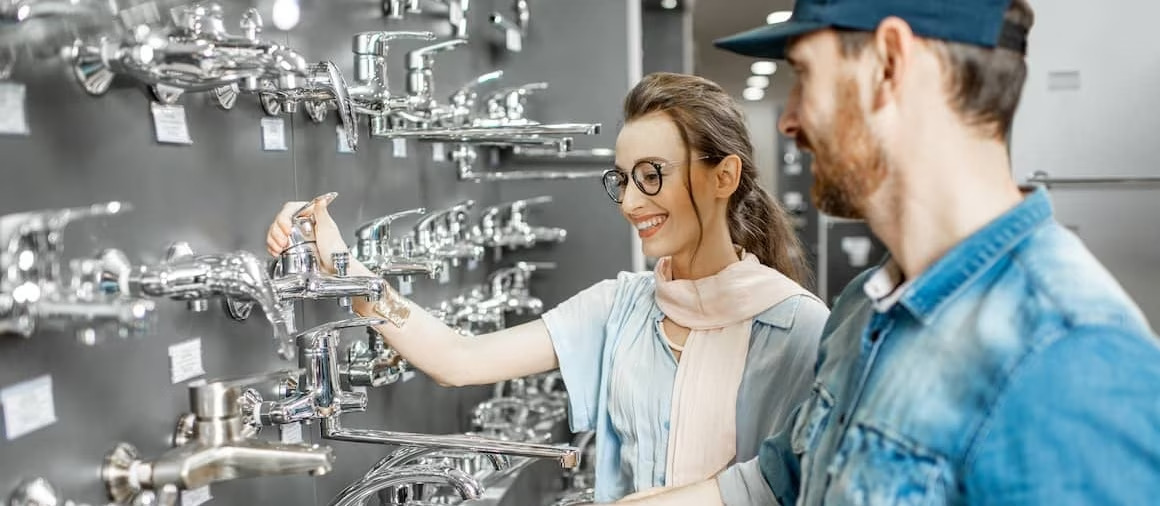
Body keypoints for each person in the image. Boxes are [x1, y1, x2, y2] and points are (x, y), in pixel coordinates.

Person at [611, 0, 1160, 505]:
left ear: (889, 64)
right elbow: (776, 480)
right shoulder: (863, 307)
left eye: (803, 74)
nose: (788, 120)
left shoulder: (1070, 360)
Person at [265, 73, 831, 502]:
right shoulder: (623, 305)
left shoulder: (799, 328)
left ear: (723, 178)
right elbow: (458, 358)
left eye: (652, 175)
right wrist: (342, 265)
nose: (632, 203)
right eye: (623, 180)